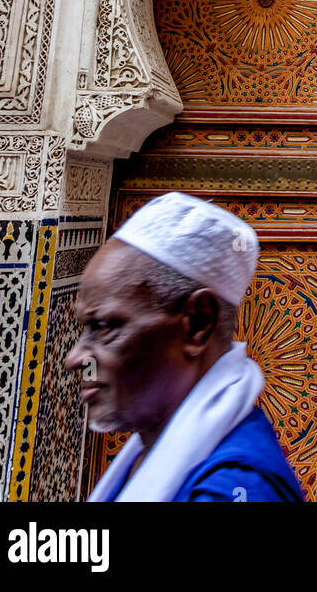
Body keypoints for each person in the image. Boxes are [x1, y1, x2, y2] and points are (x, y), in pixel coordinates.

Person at [66, 191, 304, 502]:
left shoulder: (233, 488)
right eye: (85, 328)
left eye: (106, 327)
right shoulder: (149, 455)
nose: (76, 359)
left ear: (197, 323)